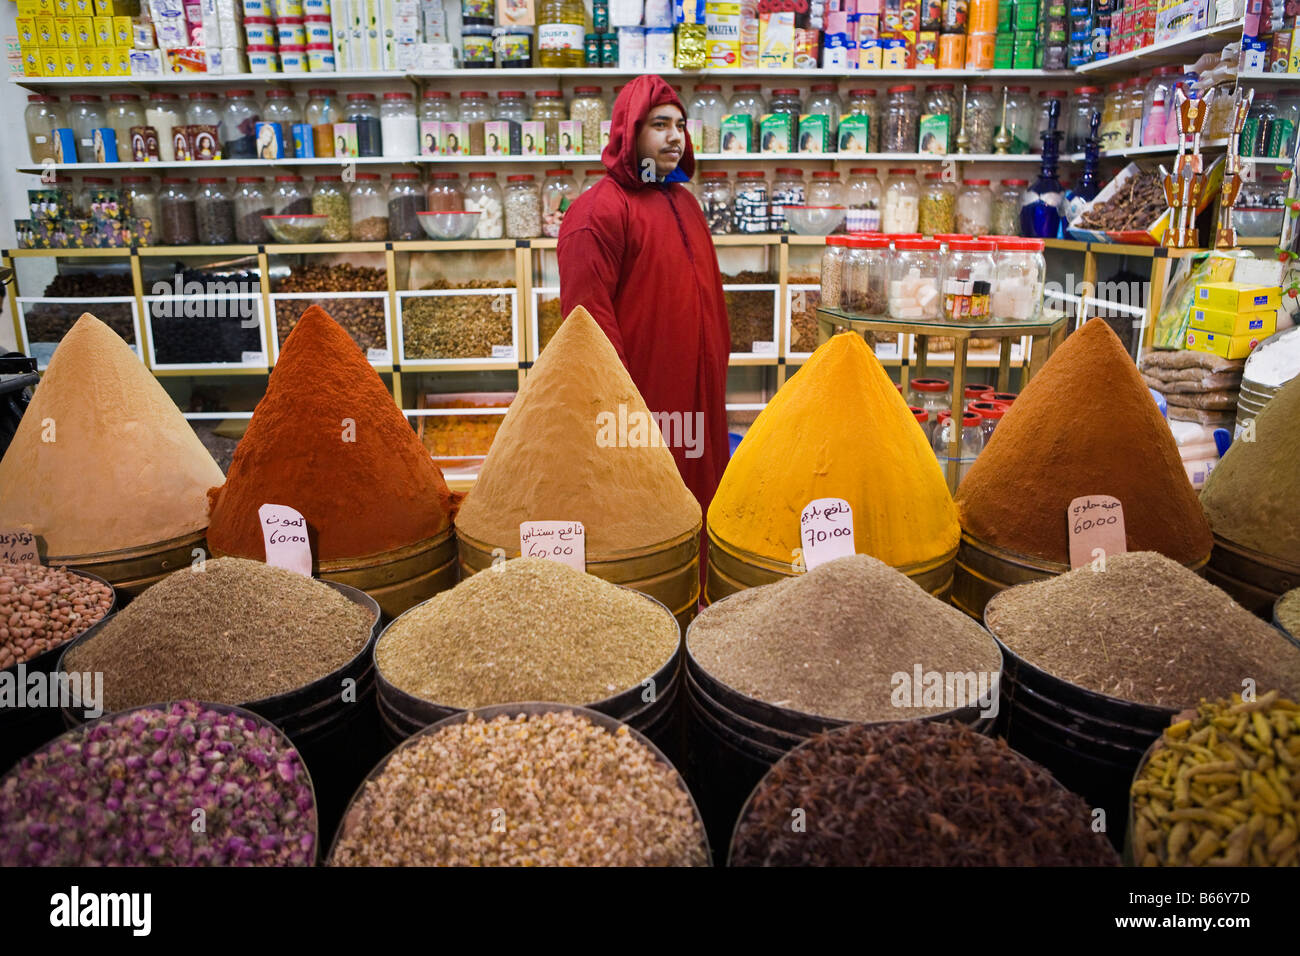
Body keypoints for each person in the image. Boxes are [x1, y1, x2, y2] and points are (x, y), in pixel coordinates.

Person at [557, 75, 730, 591]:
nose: (675, 136)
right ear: (628, 133)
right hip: (643, 411)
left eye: (680, 124)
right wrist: (620, 411)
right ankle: (655, 610)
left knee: (702, 502)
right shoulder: (598, 211)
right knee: (649, 520)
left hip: (700, 402)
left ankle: (700, 598)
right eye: (660, 125)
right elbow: (587, 332)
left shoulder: (685, 204)